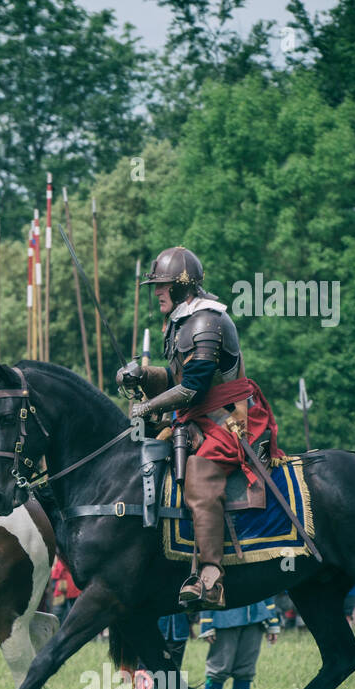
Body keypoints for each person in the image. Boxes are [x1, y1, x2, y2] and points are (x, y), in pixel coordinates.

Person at [118, 248, 285, 610]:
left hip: (232, 419)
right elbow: (178, 378)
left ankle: (211, 576)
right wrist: (142, 376)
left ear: (181, 288)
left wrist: (147, 406)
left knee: (200, 472)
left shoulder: (207, 321)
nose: (157, 291)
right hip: (200, 417)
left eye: (162, 285)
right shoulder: (181, 321)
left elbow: (193, 386)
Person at [198, 597, 280, 689]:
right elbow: (209, 586)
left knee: (246, 669)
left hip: (256, 618)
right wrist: (206, 623)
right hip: (224, 617)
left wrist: (272, 622)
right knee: (218, 668)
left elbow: (267, 588)